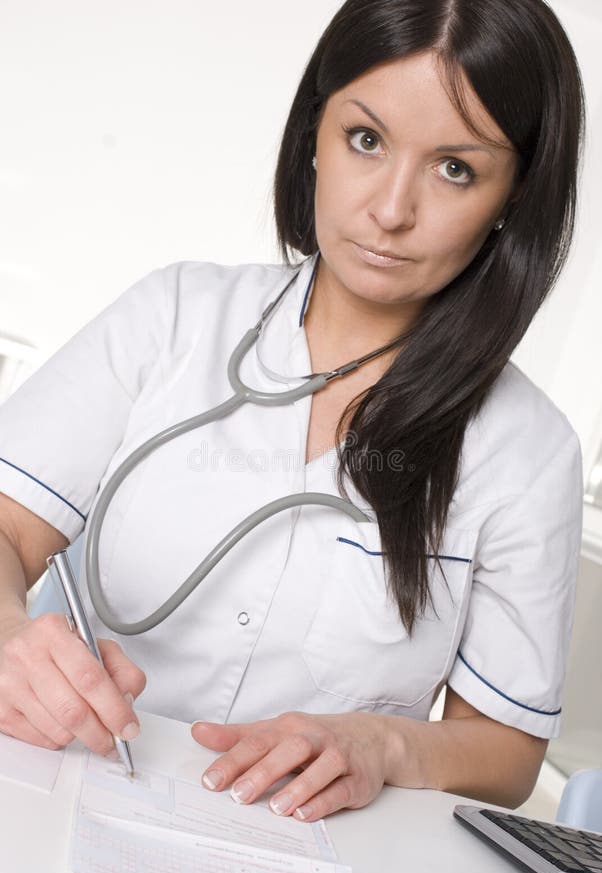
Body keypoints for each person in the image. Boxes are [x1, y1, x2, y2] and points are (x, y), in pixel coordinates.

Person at [0, 0, 585, 824]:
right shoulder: (173, 317)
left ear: (511, 197)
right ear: (315, 133)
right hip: (54, 792)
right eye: (367, 140)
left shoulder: (527, 451)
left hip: (301, 848)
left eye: (455, 168)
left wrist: (383, 744)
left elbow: (507, 750)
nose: (391, 209)